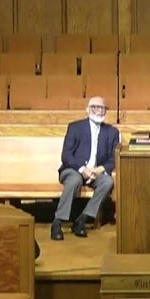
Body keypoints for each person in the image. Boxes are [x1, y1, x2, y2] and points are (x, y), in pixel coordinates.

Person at [52, 96, 119, 241]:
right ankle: (58, 222)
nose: (99, 111)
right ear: (87, 109)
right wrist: (83, 169)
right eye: (95, 107)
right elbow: (66, 156)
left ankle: (82, 220)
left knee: (107, 182)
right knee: (74, 180)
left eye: (102, 108)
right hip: (74, 169)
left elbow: (114, 157)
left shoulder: (112, 132)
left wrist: (100, 169)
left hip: (96, 172)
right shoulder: (75, 127)